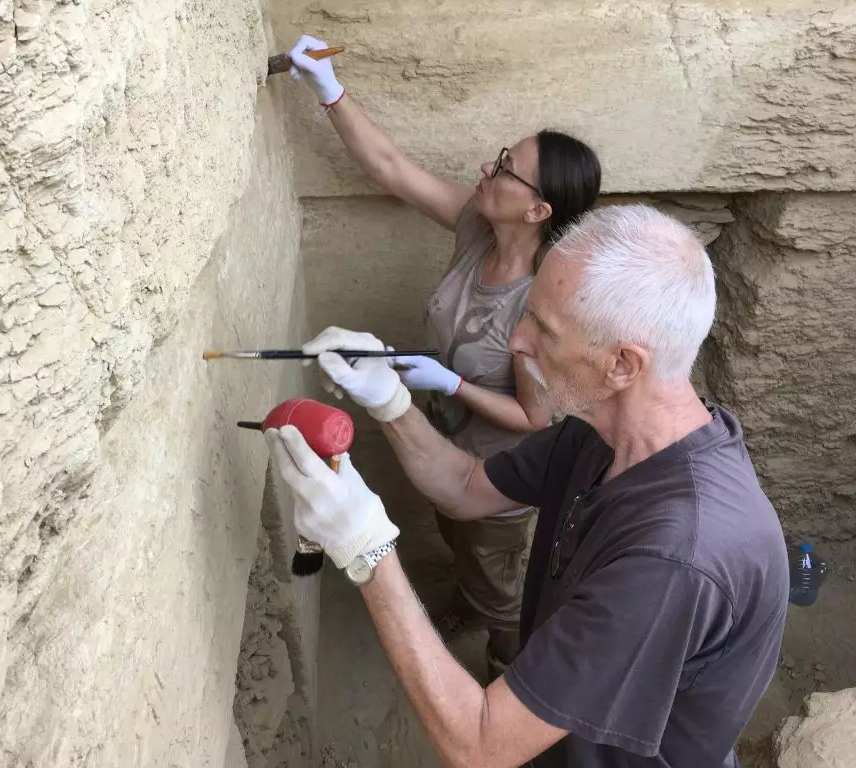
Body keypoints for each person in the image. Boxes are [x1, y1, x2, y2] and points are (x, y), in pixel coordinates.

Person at [264, 204, 789, 767]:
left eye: (543, 327)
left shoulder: (676, 558)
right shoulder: (601, 429)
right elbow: (467, 486)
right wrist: (390, 402)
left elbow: (481, 744)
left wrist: (365, 549)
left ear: (621, 364)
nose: (517, 339)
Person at [287, 33, 602, 676]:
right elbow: (393, 169)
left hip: (495, 476)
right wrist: (330, 90)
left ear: (538, 209)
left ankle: (508, 661)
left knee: (497, 572)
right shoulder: (477, 225)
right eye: (500, 156)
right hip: (441, 443)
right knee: (460, 541)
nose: (488, 169)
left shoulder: (539, 306)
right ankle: (470, 598)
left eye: (506, 167)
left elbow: (538, 420)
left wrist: (451, 385)